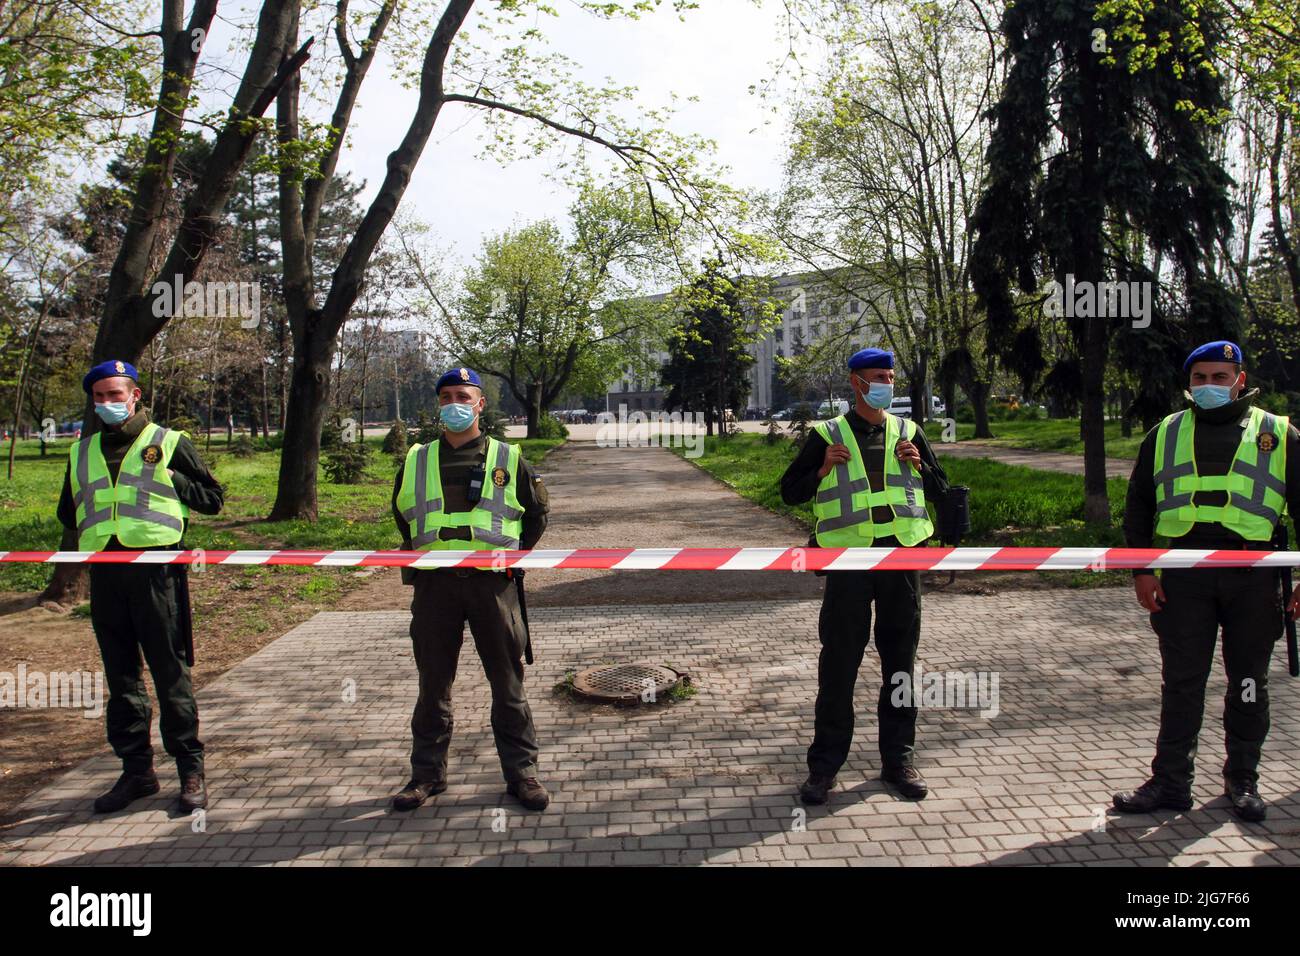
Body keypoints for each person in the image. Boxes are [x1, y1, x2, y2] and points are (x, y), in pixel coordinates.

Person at [1116, 340, 1299, 823]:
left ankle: (1243, 780)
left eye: (1220, 377)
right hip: (1182, 580)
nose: (1210, 387)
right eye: (1200, 378)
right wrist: (1141, 571)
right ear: (1189, 384)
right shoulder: (1164, 432)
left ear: (1240, 380)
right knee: (1181, 683)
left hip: (1254, 579)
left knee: (1247, 683)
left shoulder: (1278, 433)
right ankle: (1171, 783)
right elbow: (1138, 506)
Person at [780, 348, 949, 804]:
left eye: (891, 378)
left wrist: (922, 465)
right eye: (879, 377)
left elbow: (942, 491)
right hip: (849, 563)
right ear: (857, 382)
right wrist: (821, 467)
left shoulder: (909, 431)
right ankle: (823, 769)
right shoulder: (828, 433)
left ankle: (899, 761)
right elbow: (790, 491)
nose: (887, 385)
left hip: (901, 561)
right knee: (839, 665)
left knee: (901, 665)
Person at [56, 360, 224, 814]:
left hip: (157, 575)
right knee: (121, 678)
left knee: (171, 676)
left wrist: (171, 480)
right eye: (99, 397)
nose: (108, 403)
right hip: (106, 576)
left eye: (116, 395)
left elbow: (213, 499)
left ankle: (190, 770)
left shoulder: (168, 442)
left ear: (135, 395)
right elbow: (68, 514)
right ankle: (136, 772)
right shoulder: (81, 451)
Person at [390, 367, 552, 812]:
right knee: (432, 686)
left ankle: (522, 774)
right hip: (435, 589)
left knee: (507, 684)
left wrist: (507, 561)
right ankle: (426, 776)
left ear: (481, 403)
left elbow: (536, 517)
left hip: (491, 588)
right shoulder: (417, 458)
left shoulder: (509, 457)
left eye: (463, 395)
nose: (454, 404)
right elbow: (403, 515)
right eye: (445, 397)